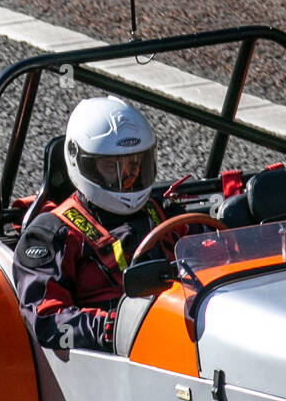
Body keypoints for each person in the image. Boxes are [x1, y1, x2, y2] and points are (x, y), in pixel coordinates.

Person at [13, 96, 182, 351]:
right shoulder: (51, 235)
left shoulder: (165, 212)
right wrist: (116, 328)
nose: (126, 177)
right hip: (118, 354)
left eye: (134, 164)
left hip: (180, 329)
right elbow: (47, 320)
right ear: (79, 160)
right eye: (110, 167)